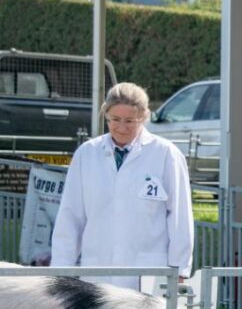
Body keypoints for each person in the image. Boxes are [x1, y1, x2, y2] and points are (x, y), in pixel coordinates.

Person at [52, 82, 194, 292]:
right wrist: (61, 271)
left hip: (147, 272)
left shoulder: (166, 155)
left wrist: (179, 269)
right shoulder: (87, 154)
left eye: (130, 121)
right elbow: (71, 216)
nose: (121, 127)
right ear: (105, 115)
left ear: (144, 117)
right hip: (97, 270)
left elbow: (180, 218)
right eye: (115, 120)